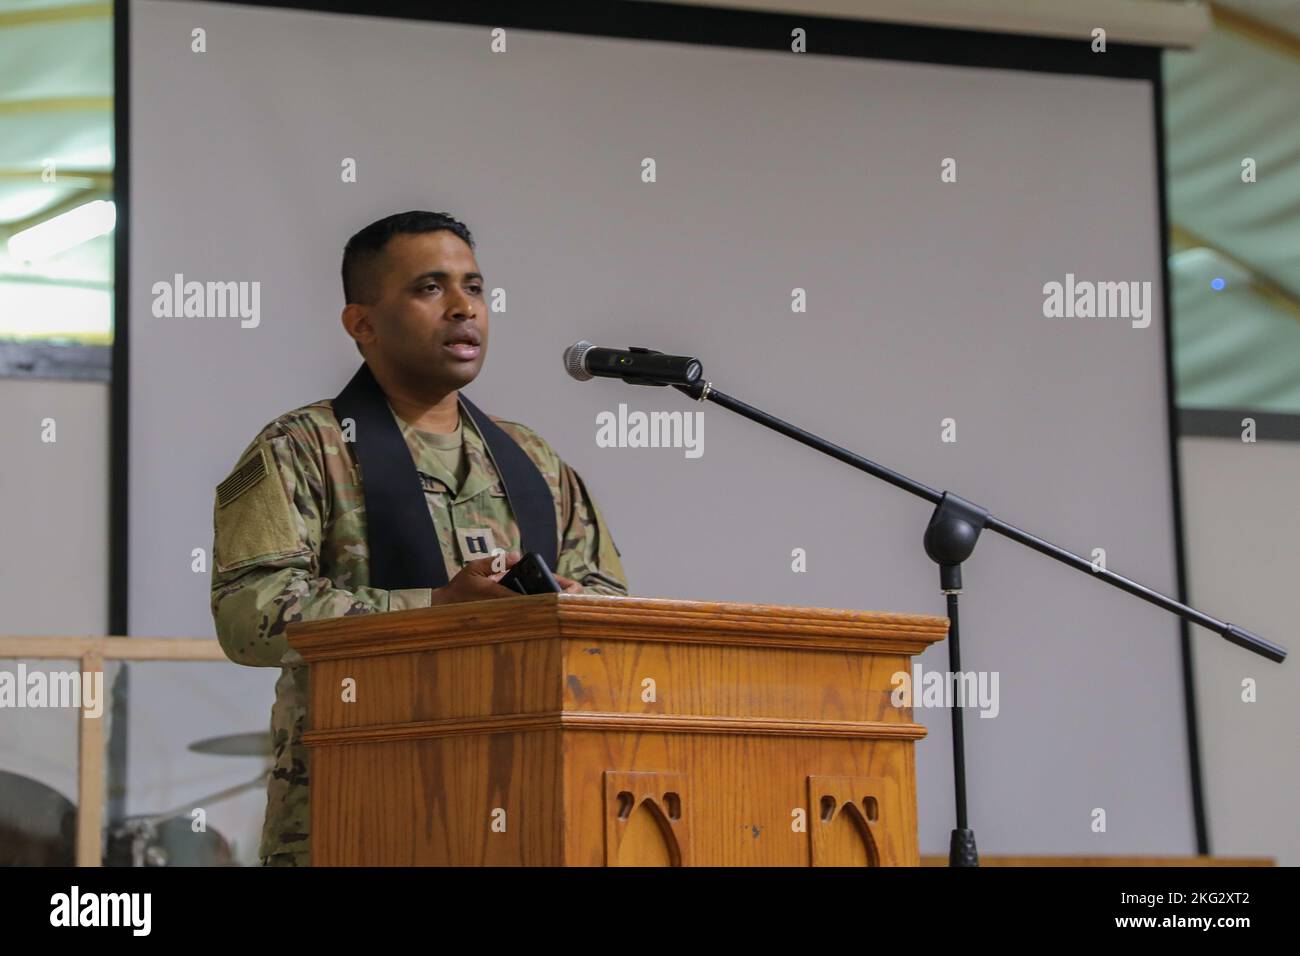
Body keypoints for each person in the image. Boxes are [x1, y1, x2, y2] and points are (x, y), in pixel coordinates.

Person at [209, 210, 628, 867]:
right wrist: (432, 609)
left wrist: (567, 607)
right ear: (363, 323)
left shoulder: (534, 460)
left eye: (475, 287)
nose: (464, 308)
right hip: (360, 814)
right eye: (429, 288)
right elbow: (248, 615)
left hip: (528, 812)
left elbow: (609, 611)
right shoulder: (302, 449)